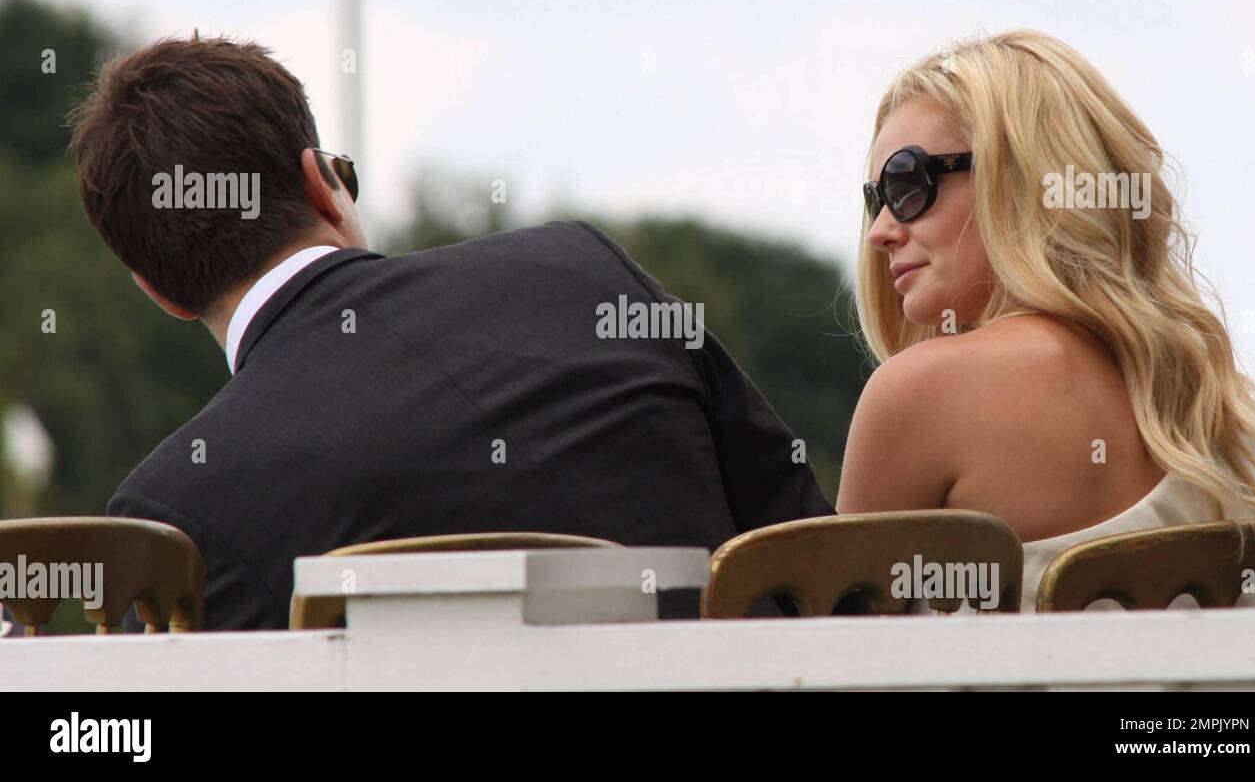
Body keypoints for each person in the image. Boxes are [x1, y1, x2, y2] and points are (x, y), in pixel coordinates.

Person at [69, 36, 829, 629]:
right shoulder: (581, 272)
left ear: (158, 290)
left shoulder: (174, 509)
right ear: (319, 184)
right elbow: (812, 555)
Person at [836, 30, 1255, 610]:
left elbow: (841, 663)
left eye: (906, 185)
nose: (880, 229)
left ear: (1023, 176)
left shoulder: (919, 393)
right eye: (875, 198)